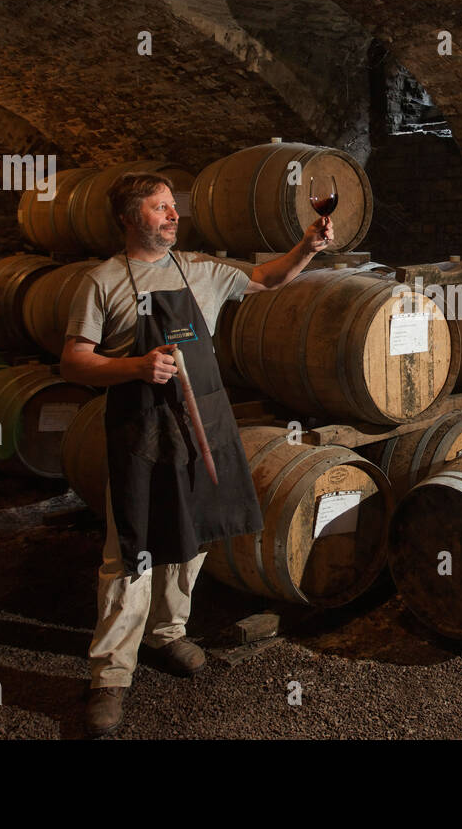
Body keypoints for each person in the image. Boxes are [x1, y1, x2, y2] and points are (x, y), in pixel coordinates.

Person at [60, 170, 331, 737]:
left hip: (201, 421)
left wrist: (306, 246)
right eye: (160, 208)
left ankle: (169, 634)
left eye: (172, 207)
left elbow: (264, 279)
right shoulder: (102, 281)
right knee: (131, 545)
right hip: (140, 429)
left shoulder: (201, 270)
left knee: (197, 533)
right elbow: (74, 362)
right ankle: (112, 673)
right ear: (133, 218)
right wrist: (135, 366)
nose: (173, 215)